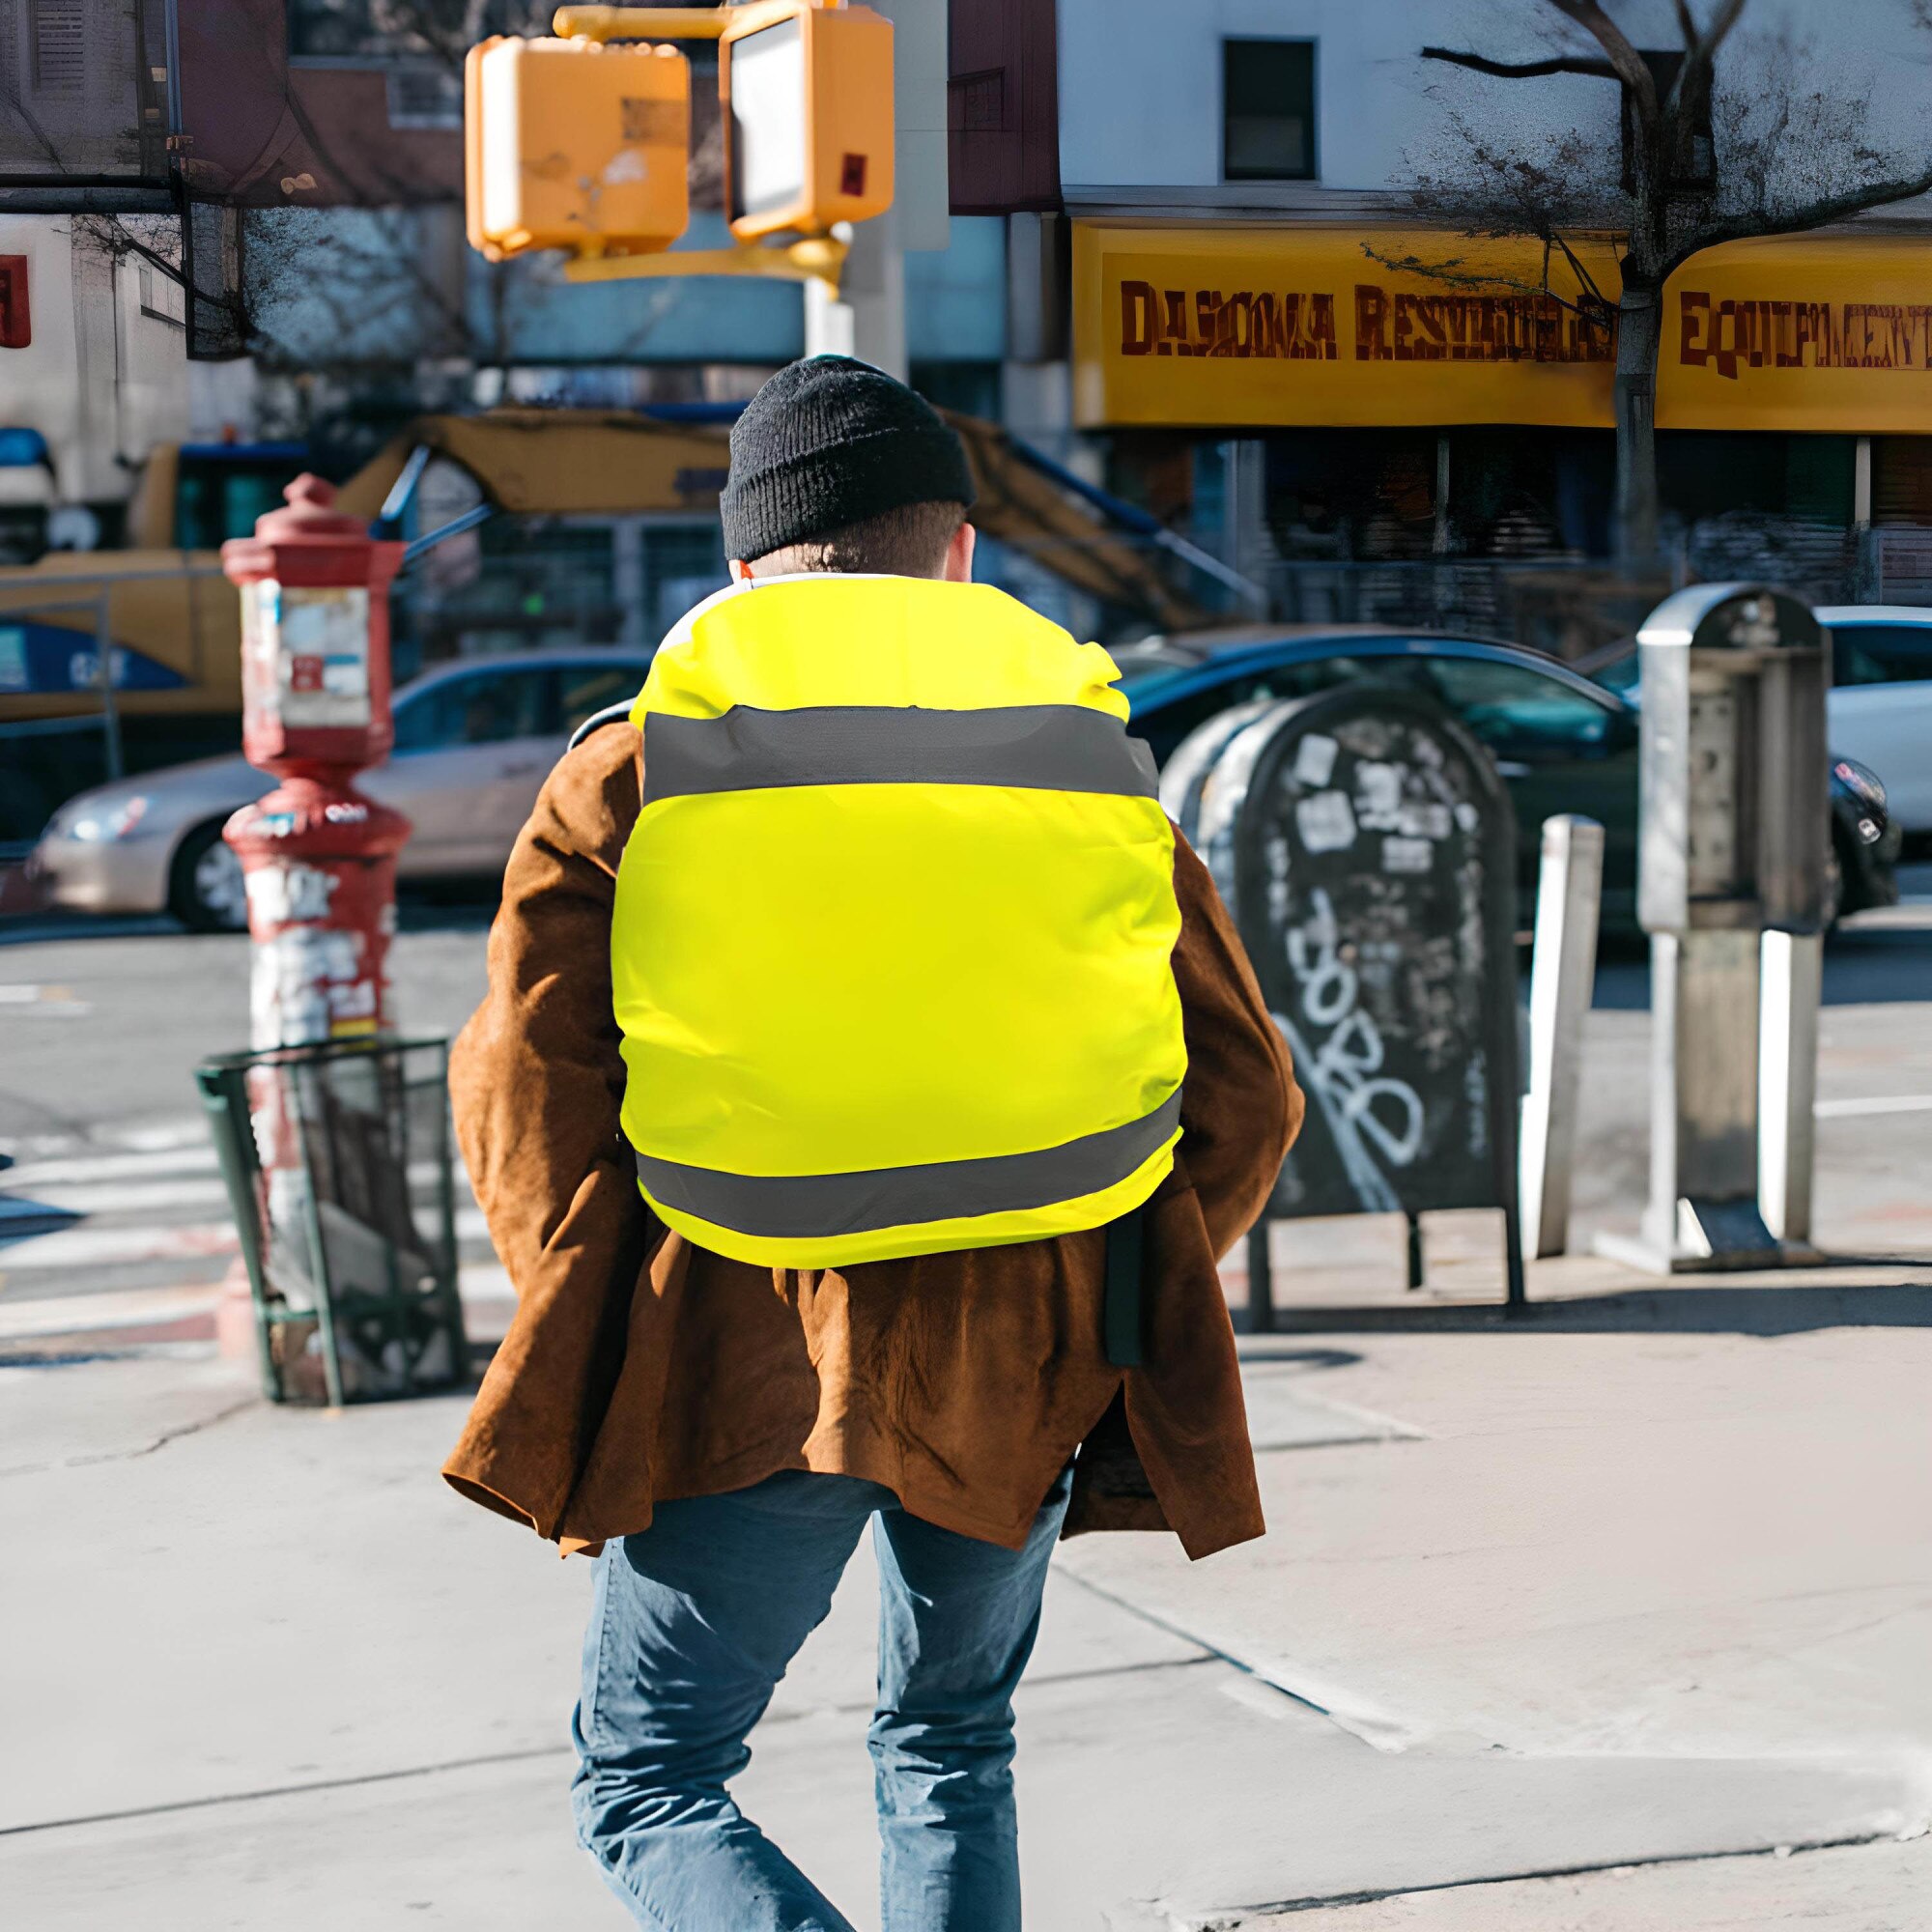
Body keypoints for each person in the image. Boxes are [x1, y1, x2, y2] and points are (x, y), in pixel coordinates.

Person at [441, 355, 1302, 1932]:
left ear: (743, 569)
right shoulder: (1094, 766)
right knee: (956, 1738)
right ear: (959, 554)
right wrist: (1118, 1271)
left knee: (648, 1777)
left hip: (747, 1340)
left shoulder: (635, 768)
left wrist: (600, 1323)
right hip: (1035, 1341)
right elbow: (1246, 1089)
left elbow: (523, 1101)